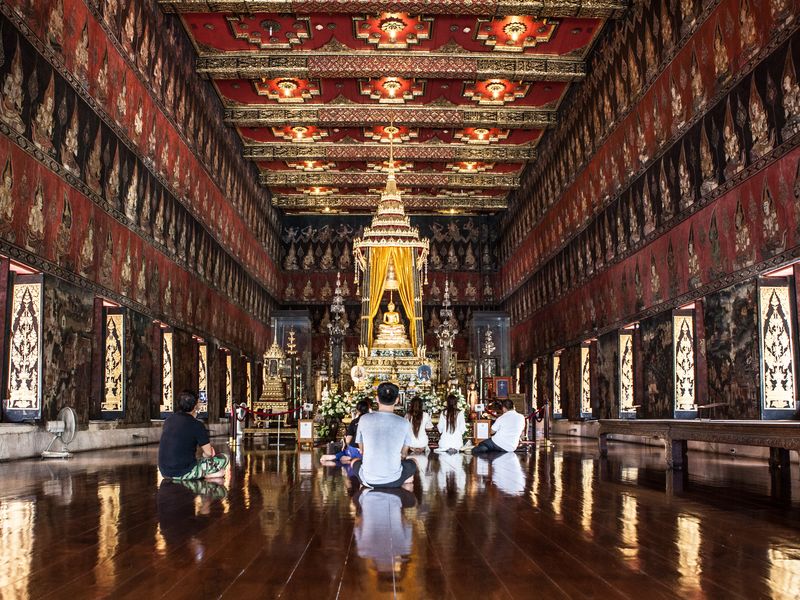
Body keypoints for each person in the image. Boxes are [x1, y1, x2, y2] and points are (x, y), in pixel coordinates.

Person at [352, 382, 417, 488]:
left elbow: (362, 450)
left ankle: (364, 481)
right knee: (413, 461)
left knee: (354, 461)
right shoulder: (404, 422)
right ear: (397, 400)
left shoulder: (364, 419)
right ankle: (407, 479)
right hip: (394, 480)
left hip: (368, 479)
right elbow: (404, 454)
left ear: (377, 399)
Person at [158, 390, 229, 480]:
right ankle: (206, 474)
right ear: (195, 406)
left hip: (164, 472)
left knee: (199, 462)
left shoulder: (169, 420)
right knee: (224, 458)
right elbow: (208, 453)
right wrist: (205, 456)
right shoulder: (197, 424)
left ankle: (207, 473)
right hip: (182, 472)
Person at [321, 399, 370, 464]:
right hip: (370, 450)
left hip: (355, 450)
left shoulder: (354, 422)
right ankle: (350, 457)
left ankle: (343, 456)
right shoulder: (372, 421)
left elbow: (348, 440)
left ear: (357, 410)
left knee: (346, 451)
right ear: (368, 409)